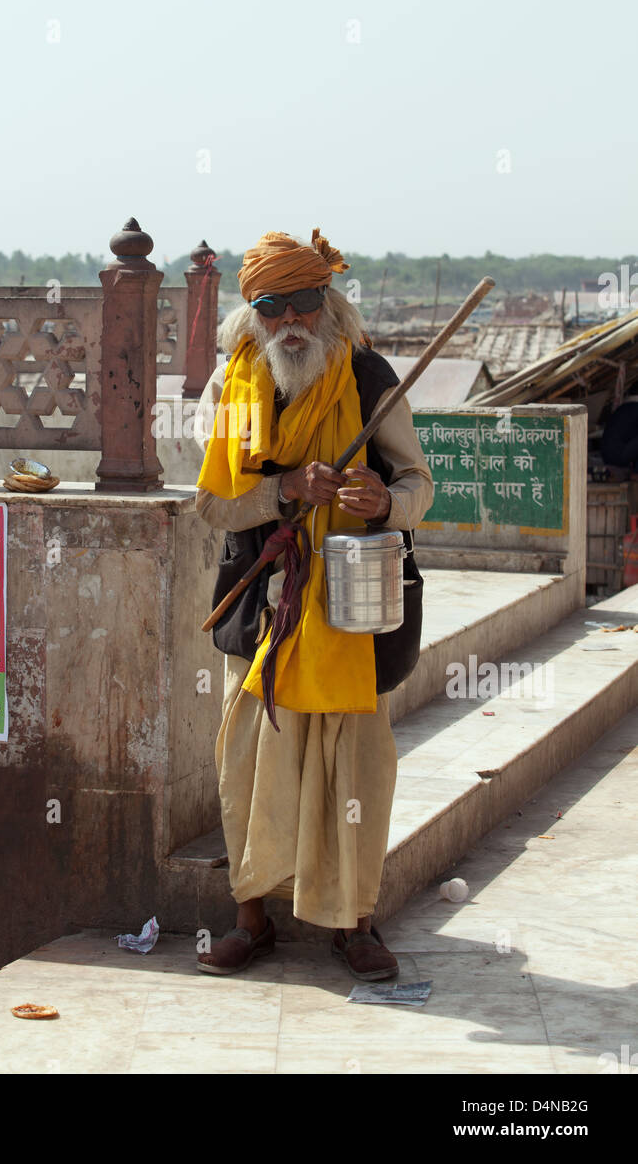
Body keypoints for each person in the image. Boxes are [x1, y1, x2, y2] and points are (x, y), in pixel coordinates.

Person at [193, 229, 434, 979]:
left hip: (352, 610)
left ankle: (356, 924)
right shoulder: (235, 386)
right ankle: (251, 918)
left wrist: (380, 498)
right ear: (254, 314)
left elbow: (418, 487)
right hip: (266, 608)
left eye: (302, 304)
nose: (289, 322)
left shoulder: (367, 376)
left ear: (326, 304)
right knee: (251, 765)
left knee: (356, 768)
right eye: (273, 308)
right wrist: (286, 491)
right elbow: (213, 505)